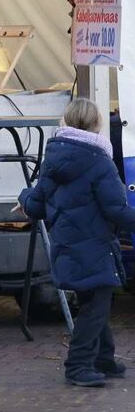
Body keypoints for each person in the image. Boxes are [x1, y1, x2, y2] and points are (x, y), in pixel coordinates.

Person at [20, 99, 135, 388]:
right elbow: (116, 210)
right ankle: (79, 365)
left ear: (66, 121)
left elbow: (34, 205)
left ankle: (103, 358)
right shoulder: (100, 162)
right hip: (94, 245)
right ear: (97, 123)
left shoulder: (54, 159)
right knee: (96, 304)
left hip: (68, 245)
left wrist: (22, 197)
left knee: (94, 302)